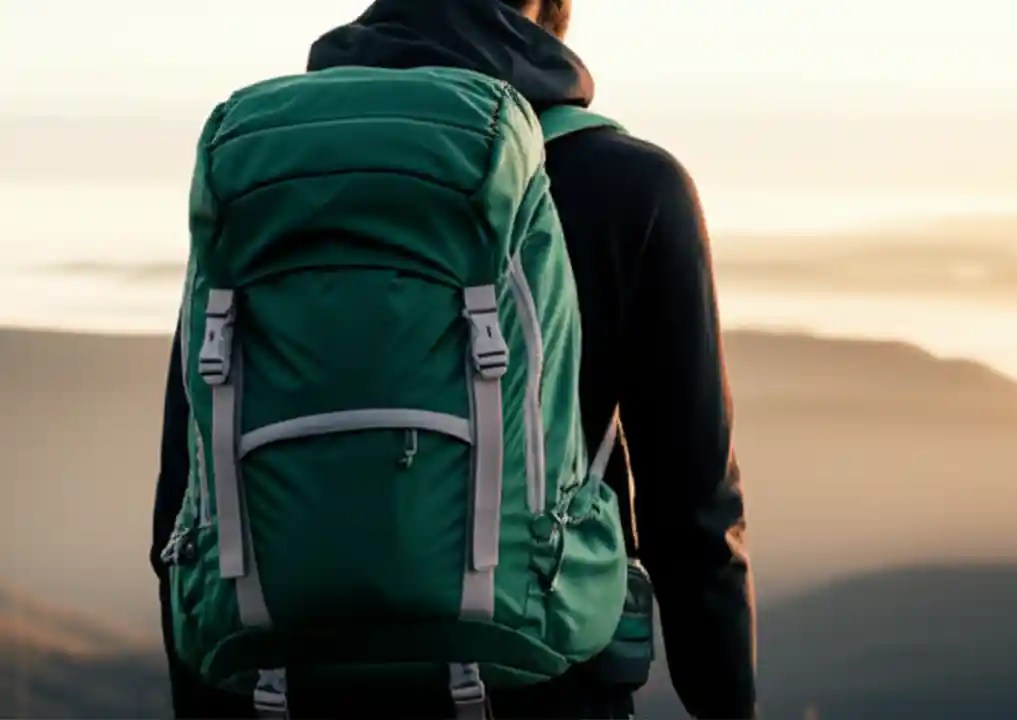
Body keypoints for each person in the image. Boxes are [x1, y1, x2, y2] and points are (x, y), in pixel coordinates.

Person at [150, 0, 756, 717]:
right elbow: (695, 523)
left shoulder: (264, 178)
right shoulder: (629, 185)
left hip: (283, 693)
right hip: (542, 689)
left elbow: (183, 509)